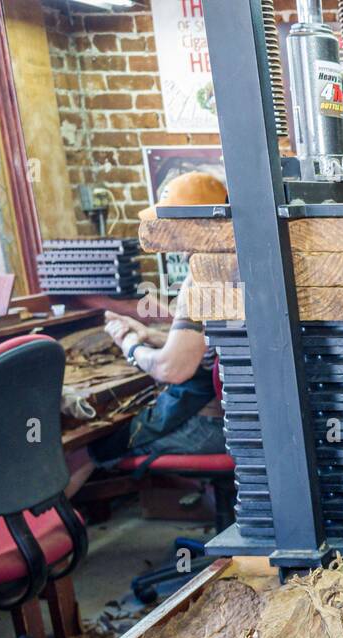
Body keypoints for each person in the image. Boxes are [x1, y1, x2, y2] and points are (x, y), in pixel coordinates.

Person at [65, 172, 229, 497]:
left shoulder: (202, 279)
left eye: (169, 226)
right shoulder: (227, 265)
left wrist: (130, 345)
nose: (165, 237)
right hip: (237, 422)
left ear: (192, 224)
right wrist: (153, 334)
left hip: (210, 427)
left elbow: (173, 369)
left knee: (80, 452)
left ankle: (34, 540)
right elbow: (204, 344)